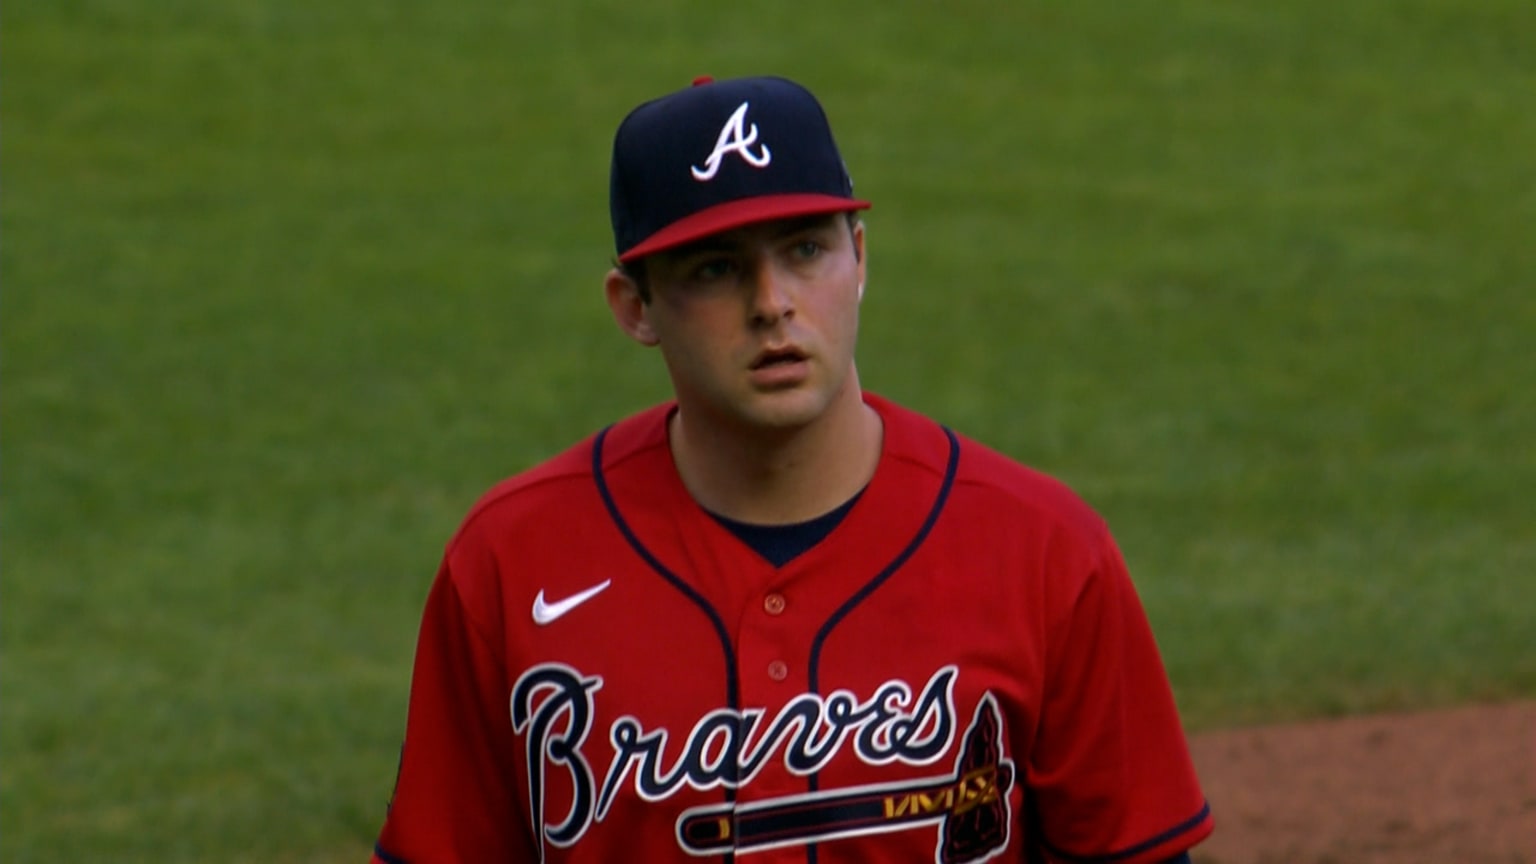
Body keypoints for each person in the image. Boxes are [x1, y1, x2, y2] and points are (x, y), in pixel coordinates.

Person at [370, 75, 1212, 864]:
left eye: (805, 250)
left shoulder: (1045, 552)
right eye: (716, 268)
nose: (772, 302)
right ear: (636, 309)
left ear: (860, 259)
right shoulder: (512, 563)